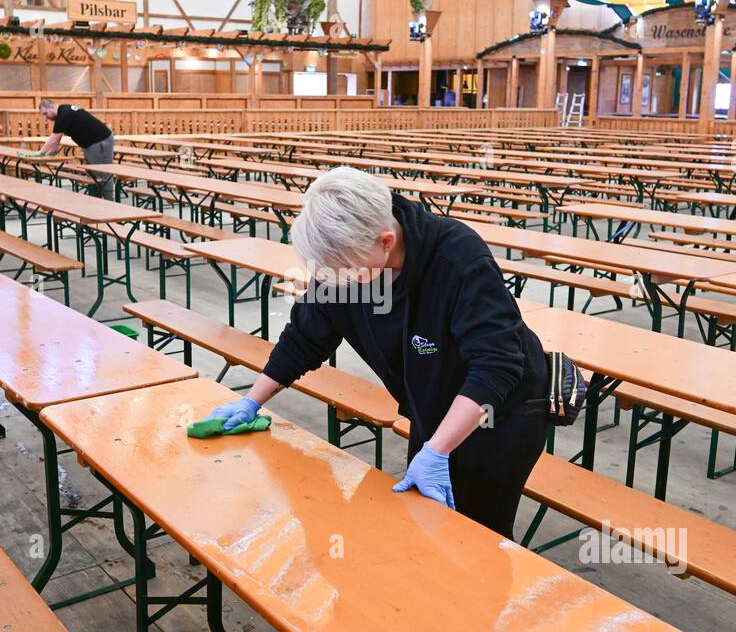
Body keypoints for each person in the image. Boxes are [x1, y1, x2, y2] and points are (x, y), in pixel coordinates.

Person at [194, 167, 552, 538]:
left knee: (479, 535)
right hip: (431, 404)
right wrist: (252, 402)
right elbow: (305, 337)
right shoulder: (343, 260)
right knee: (429, 525)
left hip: (501, 412)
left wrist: (437, 450)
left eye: (347, 271)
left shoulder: (457, 258)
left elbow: (497, 364)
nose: (338, 281)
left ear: (385, 241)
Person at [36, 99, 116, 199]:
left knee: (103, 174)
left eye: (46, 113)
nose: (46, 117)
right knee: (92, 174)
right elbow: (56, 140)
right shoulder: (63, 112)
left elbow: (53, 140)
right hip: (91, 144)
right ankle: (95, 202)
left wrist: (38, 154)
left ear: (51, 107)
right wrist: (51, 152)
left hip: (100, 141)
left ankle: (110, 203)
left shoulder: (64, 114)